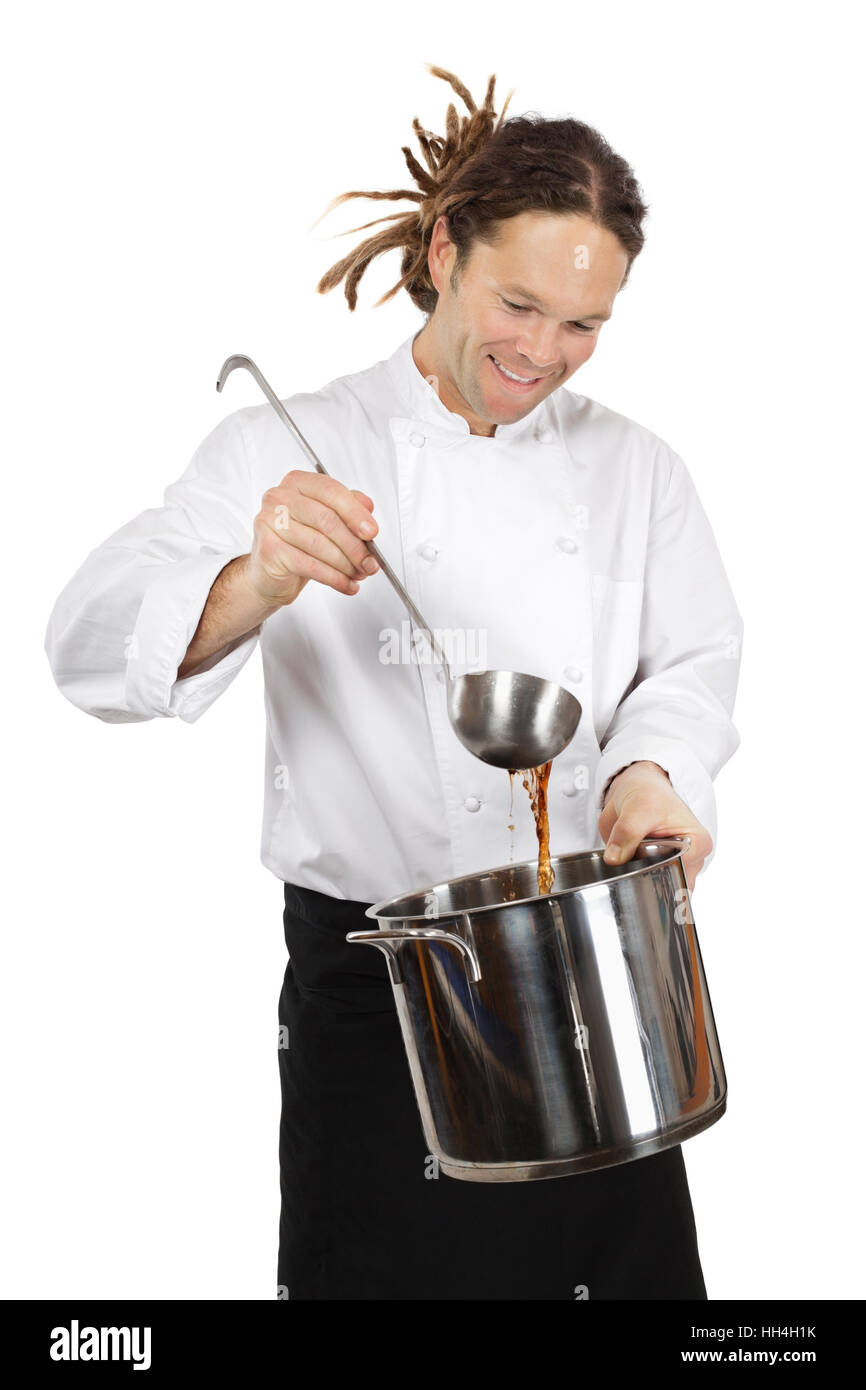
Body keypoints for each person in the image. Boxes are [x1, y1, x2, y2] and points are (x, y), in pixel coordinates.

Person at [45, 64, 743, 1300]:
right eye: (516, 304)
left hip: (590, 967)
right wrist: (252, 577)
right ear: (442, 252)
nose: (542, 353)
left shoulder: (638, 472)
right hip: (378, 994)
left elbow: (688, 665)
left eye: (582, 325)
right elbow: (85, 647)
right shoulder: (290, 443)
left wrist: (650, 772)